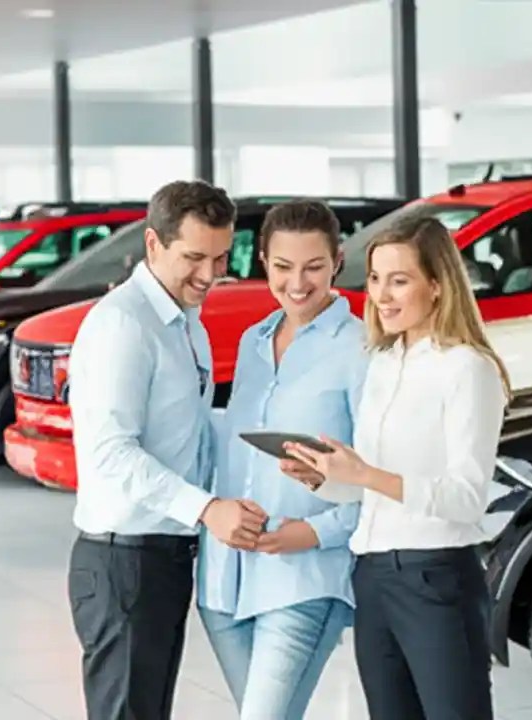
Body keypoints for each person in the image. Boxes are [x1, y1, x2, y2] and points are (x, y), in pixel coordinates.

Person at [284, 213, 512, 720]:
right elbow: (372, 488)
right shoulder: (383, 363)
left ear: (437, 286)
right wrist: (331, 478)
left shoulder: (467, 369)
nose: (382, 295)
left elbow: (467, 497)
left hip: (435, 578)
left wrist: (365, 475)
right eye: (375, 279)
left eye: (399, 280)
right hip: (373, 574)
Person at [66, 180, 270, 720]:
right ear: (154, 245)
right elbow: (112, 453)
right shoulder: (124, 325)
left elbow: (190, 431)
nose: (210, 274)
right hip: (124, 562)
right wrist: (206, 508)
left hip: (161, 557)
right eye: (194, 257)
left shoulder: (184, 321)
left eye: (222, 257)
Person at [196, 199, 366, 720]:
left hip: (303, 576)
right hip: (224, 579)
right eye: (284, 267)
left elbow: (375, 477)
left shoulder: (360, 348)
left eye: (314, 267)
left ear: (337, 260)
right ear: (263, 260)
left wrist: (313, 533)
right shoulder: (253, 341)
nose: (298, 283)